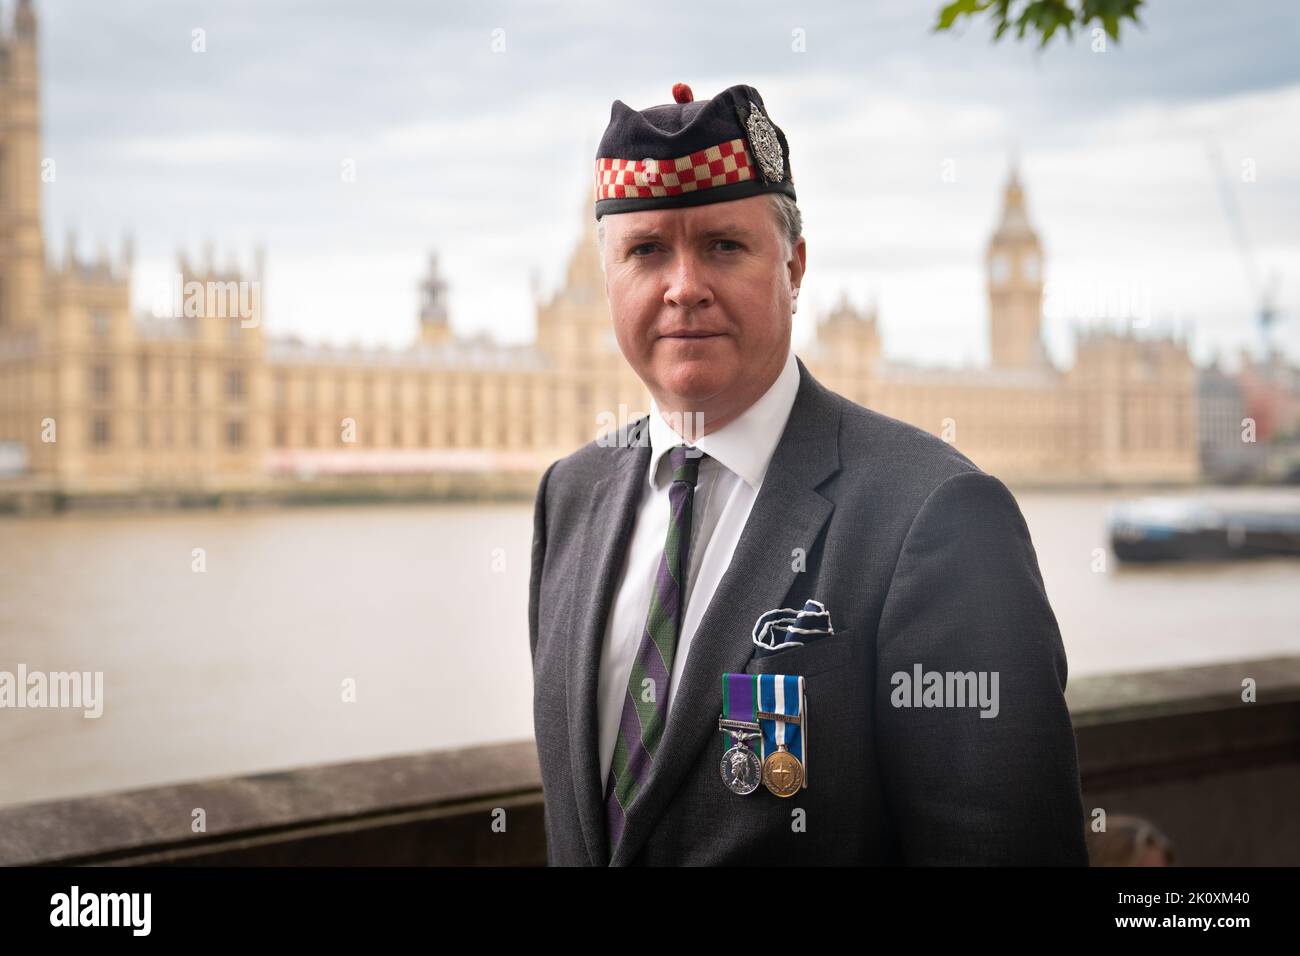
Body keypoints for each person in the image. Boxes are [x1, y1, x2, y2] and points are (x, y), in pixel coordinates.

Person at [528, 81, 1088, 865]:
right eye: (646, 250)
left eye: (724, 245)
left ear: (793, 266)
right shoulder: (570, 497)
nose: (683, 286)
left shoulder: (937, 514)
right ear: (607, 280)